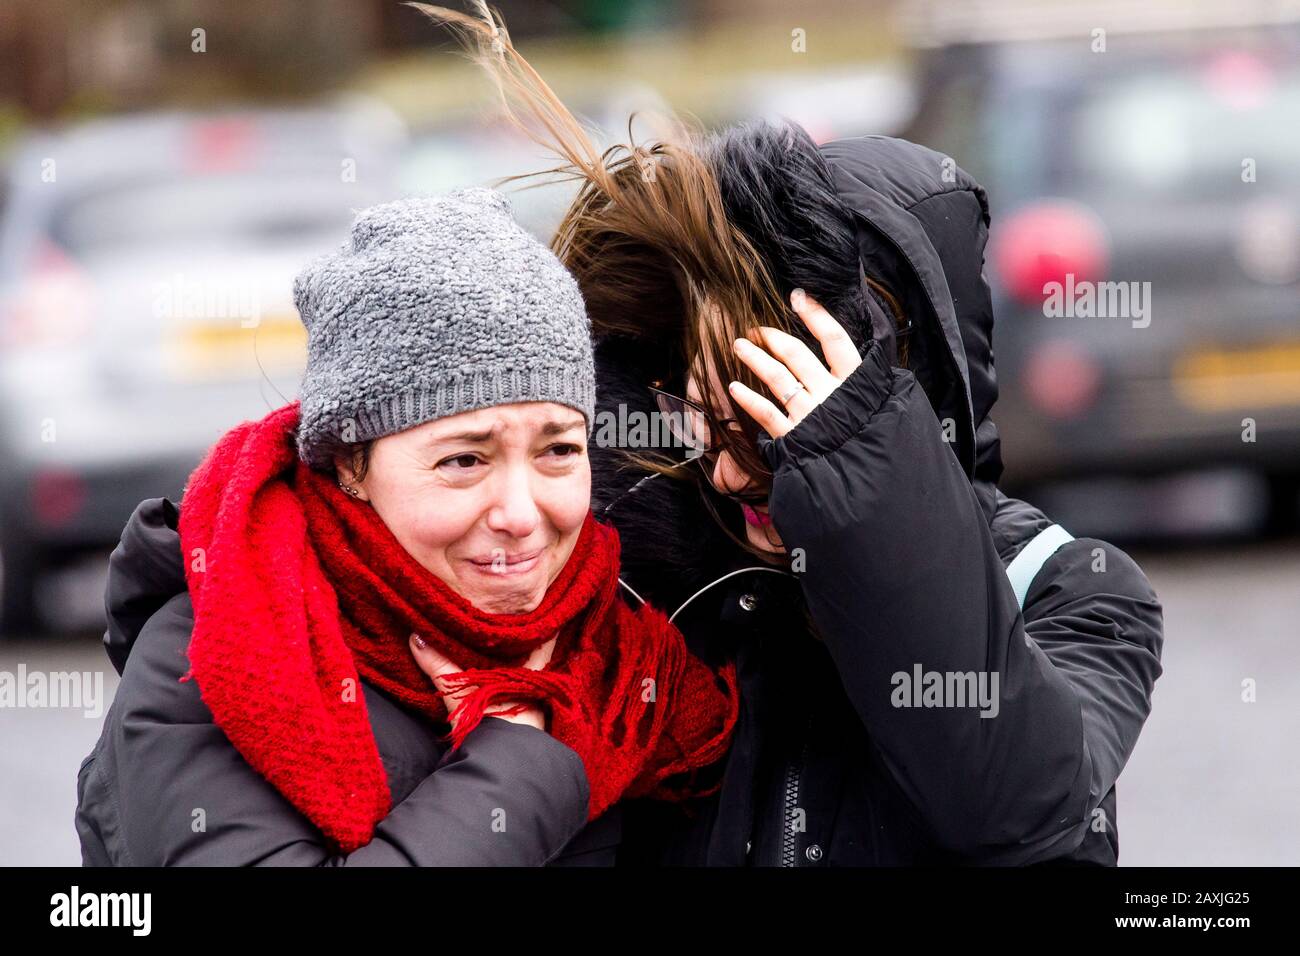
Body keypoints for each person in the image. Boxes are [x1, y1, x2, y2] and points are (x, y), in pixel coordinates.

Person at [417, 2, 1165, 865]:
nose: (733, 479)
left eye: (776, 428)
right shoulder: (640, 600)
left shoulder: (1073, 591)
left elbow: (1009, 805)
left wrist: (852, 476)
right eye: (708, 423)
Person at [74, 188, 738, 866]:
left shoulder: (627, 653)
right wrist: (514, 763)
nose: (520, 513)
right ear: (349, 464)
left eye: (558, 450)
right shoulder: (212, 657)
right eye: (463, 460)